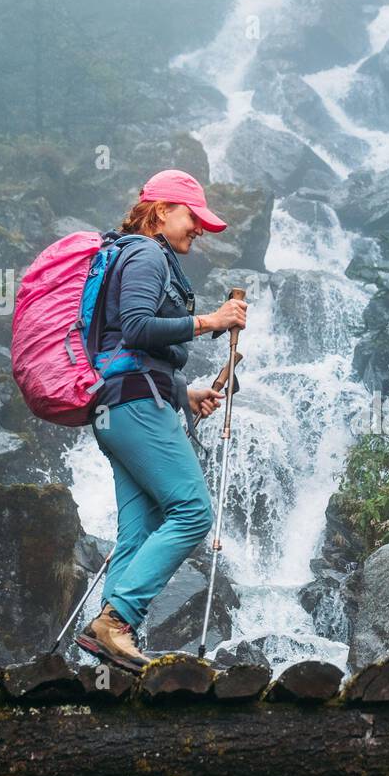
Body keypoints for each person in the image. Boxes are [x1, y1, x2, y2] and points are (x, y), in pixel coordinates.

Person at [74, 169, 248, 672]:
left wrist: (183, 392)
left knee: (139, 529)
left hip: (116, 407)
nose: (198, 228)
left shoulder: (124, 254)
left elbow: (119, 347)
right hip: (135, 407)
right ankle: (118, 622)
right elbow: (136, 327)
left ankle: (106, 650)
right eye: (193, 217)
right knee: (193, 511)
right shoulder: (148, 253)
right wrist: (210, 321)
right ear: (161, 210)